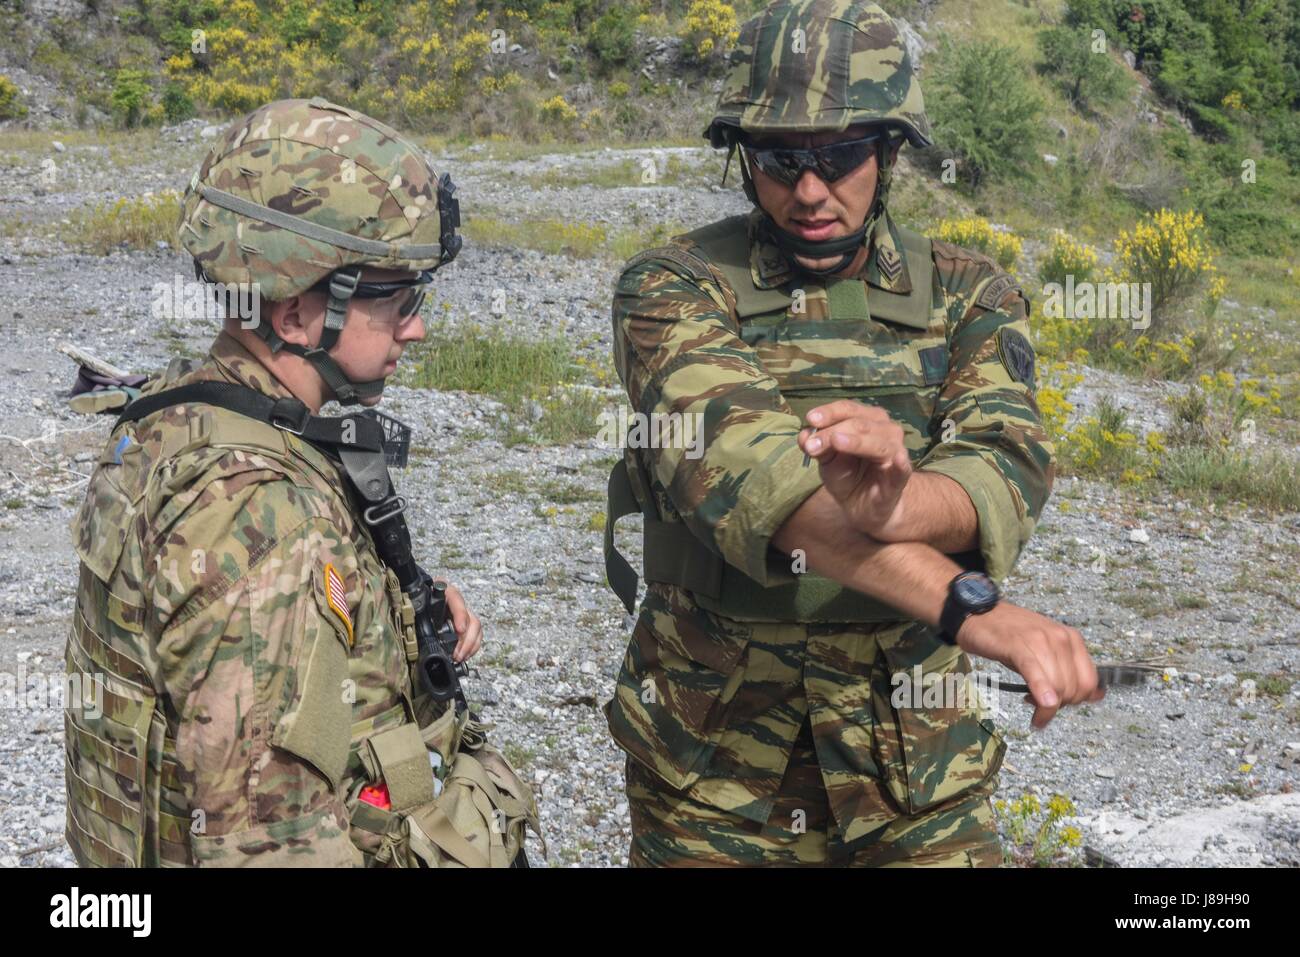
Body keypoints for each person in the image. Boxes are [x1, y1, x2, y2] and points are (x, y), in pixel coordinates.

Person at [603, 0, 1103, 867]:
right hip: (714, 769)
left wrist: (905, 504)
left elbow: (1006, 460)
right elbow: (757, 478)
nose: (807, 191)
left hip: (914, 763)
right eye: (777, 159)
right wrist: (967, 603)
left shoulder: (969, 294)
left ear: (890, 150)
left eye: (839, 157)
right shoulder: (670, 287)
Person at [64, 97, 538, 867]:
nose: (415, 327)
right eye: (396, 298)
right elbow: (270, 845)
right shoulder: (255, 507)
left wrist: (387, 620)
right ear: (293, 314)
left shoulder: (180, 415)